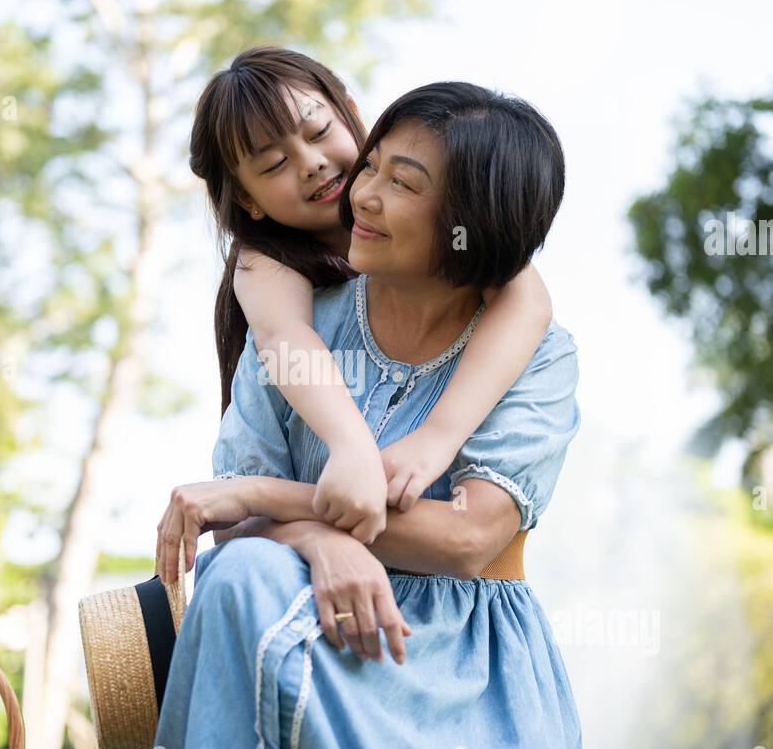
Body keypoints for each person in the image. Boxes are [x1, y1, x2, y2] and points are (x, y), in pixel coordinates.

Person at [146, 81, 585, 749]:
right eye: (372, 167)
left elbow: (469, 537)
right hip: (311, 622)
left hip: (463, 667)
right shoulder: (284, 314)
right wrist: (324, 540)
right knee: (243, 574)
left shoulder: (533, 346)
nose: (359, 192)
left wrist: (267, 495)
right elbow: (236, 531)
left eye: (400, 181)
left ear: (471, 221)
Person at [193, 46, 553, 550]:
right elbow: (286, 339)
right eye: (274, 164)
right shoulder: (265, 265)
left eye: (319, 133)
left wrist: (437, 439)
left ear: (351, 112)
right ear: (248, 199)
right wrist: (351, 447)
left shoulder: (435, 202)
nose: (312, 164)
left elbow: (528, 303)